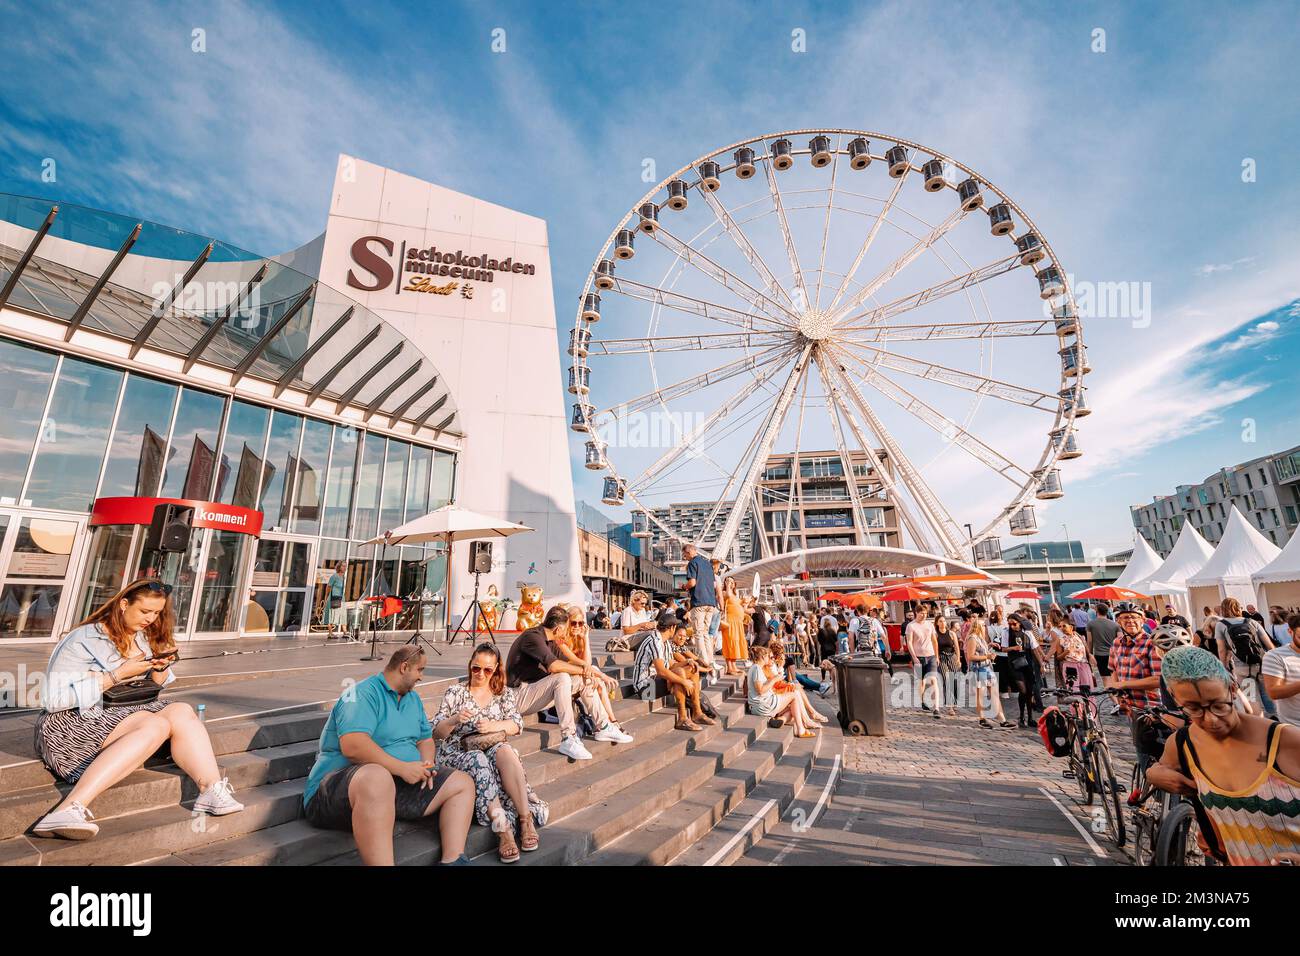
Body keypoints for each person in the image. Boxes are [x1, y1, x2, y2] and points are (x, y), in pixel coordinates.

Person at [32, 579, 243, 840]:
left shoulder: (142, 638)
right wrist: (117, 674)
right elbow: (52, 700)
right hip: (73, 721)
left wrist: (160, 667)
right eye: (145, 611)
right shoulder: (84, 638)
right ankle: (67, 810)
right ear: (123, 604)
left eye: (156, 613)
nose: (151, 619)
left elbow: (150, 688)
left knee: (181, 710)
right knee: (155, 723)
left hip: (126, 711)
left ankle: (210, 790)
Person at [302, 646, 475, 866]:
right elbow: (353, 746)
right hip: (334, 790)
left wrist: (426, 763)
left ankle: (453, 860)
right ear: (404, 667)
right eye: (420, 670)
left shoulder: (412, 699)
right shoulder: (362, 694)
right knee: (377, 777)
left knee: (461, 782)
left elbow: (425, 739)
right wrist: (402, 768)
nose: (421, 677)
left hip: (394, 785)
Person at [1146, 646, 1300, 866]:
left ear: (1233, 687)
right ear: (1174, 698)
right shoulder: (1183, 745)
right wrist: (1155, 774)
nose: (1212, 720)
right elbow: (1161, 768)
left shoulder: (1286, 741)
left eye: (1219, 705)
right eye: (1193, 709)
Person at [432, 644, 547, 863]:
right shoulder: (456, 692)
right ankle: (503, 830)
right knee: (478, 759)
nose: (481, 674)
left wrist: (493, 725)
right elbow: (437, 732)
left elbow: (516, 725)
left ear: (496, 669)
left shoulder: (502, 694)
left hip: (490, 744)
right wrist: (455, 719)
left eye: (487, 670)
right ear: (470, 666)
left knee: (505, 750)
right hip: (457, 750)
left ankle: (525, 819)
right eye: (476, 668)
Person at [504, 605, 596, 761]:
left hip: (534, 693)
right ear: (558, 629)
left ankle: (605, 725)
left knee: (581, 679)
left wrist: (592, 671)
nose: (567, 632)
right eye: (566, 628)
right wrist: (583, 670)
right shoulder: (532, 637)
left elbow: (578, 664)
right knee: (562, 678)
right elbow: (554, 666)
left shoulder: (551, 640)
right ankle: (568, 738)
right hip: (517, 697)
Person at [556, 608, 635, 743]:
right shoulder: (561, 639)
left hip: (579, 677)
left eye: (580, 623)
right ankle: (611, 724)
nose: (577, 626)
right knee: (595, 677)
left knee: (595, 678)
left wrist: (585, 639)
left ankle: (610, 723)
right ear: (567, 622)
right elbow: (582, 667)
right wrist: (602, 676)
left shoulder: (579, 638)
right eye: (573, 623)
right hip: (564, 682)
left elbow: (586, 663)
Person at [633, 609, 715, 731]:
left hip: (656, 681)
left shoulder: (664, 642)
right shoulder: (655, 641)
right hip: (645, 688)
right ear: (671, 628)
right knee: (679, 673)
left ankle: (697, 713)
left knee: (692, 669)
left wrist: (687, 662)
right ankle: (682, 718)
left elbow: (671, 664)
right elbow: (661, 671)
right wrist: (683, 682)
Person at [1106, 601, 1166, 764]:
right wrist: (1117, 690)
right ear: (1118, 621)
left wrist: (1123, 685)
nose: (1130, 621)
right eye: (1124, 618)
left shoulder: (1151, 643)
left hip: (1152, 709)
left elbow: (1158, 679)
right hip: (1131, 708)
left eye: (1134, 617)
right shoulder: (1117, 643)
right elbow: (1113, 670)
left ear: (1143, 619)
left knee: (1159, 757)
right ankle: (1145, 788)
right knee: (1142, 755)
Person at [1214, 597, 1277, 718]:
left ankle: (1262, 728)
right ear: (1239, 607)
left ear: (1223, 609)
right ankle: (1278, 724)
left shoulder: (1221, 625)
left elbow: (1221, 649)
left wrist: (1224, 666)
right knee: (1269, 696)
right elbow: (1269, 644)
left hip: (1242, 669)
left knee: (1252, 699)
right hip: (1262, 665)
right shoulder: (1251, 621)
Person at [746, 645, 816, 738]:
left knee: (794, 708)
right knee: (794, 695)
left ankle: (786, 721)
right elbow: (761, 690)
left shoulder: (755, 668)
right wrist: (775, 679)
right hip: (763, 705)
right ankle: (800, 729)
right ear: (763, 657)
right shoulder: (757, 668)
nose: (770, 659)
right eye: (768, 656)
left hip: (763, 704)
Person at [680, 543, 719, 685]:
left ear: (689, 553)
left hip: (699, 602)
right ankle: (711, 660)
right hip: (711, 602)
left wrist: (684, 586)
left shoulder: (692, 563)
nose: (685, 558)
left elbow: (692, 582)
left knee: (698, 633)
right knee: (706, 633)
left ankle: (705, 663)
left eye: (685, 555)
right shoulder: (707, 564)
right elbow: (713, 584)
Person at [966, 619, 1015, 729]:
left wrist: (989, 646)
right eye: (983, 625)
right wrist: (987, 657)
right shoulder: (972, 638)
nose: (985, 627)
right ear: (977, 626)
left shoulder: (980, 638)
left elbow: (980, 650)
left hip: (987, 668)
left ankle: (1002, 720)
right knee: (981, 696)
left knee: (994, 694)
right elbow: (970, 656)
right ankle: (982, 719)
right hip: (979, 669)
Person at [767, 642, 829, 722]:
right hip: (775, 691)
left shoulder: (778, 662)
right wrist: (782, 667)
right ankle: (811, 713)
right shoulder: (772, 664)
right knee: (797, 685)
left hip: (778, 687)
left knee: (798, 683)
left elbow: (782, 679)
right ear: (777, 655)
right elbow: (776, 680)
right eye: (782, 653)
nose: (783, 655)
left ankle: (783, 719)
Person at [1262, 613, 1300, 728]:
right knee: (1251, 694)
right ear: (1290, 632)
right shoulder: (1274, 656)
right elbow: (1274, 692)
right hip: (1295, 726)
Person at [906, 605, 941, 719]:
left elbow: (934, 640)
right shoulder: (911, 626)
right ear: (916, 613)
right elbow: (909, 642)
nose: (924, 615)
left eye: (925, 613)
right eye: (922, 613)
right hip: (918, 657)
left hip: (930, 655)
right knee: (921, 682)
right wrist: (914, 657)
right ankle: (922, 702)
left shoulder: (929, 624)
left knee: (933, 680)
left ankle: (936, 708)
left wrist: (936, 656)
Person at [719, 577, 749, 676]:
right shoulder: (724, 593)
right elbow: (727, 595)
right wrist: (727, 586)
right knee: (730, 643)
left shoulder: (736, 596)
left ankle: (734, 666)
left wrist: (746, 603)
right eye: (728, 581)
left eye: (732, 582)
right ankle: (729, 667)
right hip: (730, 623)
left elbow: (744, 609)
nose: (730, 583)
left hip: (738, 623)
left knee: (736, 643)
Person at [934, 614, 962, 717]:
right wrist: (936, 657)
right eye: (940, 621)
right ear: (937, 623)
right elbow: (935, 647)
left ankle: (954, 701)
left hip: (952, 657)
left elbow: (957, 647)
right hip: (941, 658)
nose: (943, 623)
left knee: (955, 679)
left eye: (944, 621)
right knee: (946, 680)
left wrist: (958, 659)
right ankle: (950, 706)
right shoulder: (935, 634)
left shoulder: (951, 633)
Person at [1086, 603, 1118, 681]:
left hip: (1100, 654)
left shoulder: (1090, 624)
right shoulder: (1115, 625)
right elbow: (1120, 639)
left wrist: (1090, 654)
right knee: (1115, 677)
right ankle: (1115, 692)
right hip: (1114, 654)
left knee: (1105, 678)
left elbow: (1090, 641)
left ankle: (1109, 693)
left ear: (1096, 611)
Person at [326, 562, 347, 639]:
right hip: (334, 598)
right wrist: (326, 598)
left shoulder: (343, 577)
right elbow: (328, 587)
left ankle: (345, 632)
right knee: (332, 615)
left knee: (343, 615)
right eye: (343, 566)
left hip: (341, 599)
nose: (345, 568)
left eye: (346, 566)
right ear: (339, 567)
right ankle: (330, 633)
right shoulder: (334, 576)